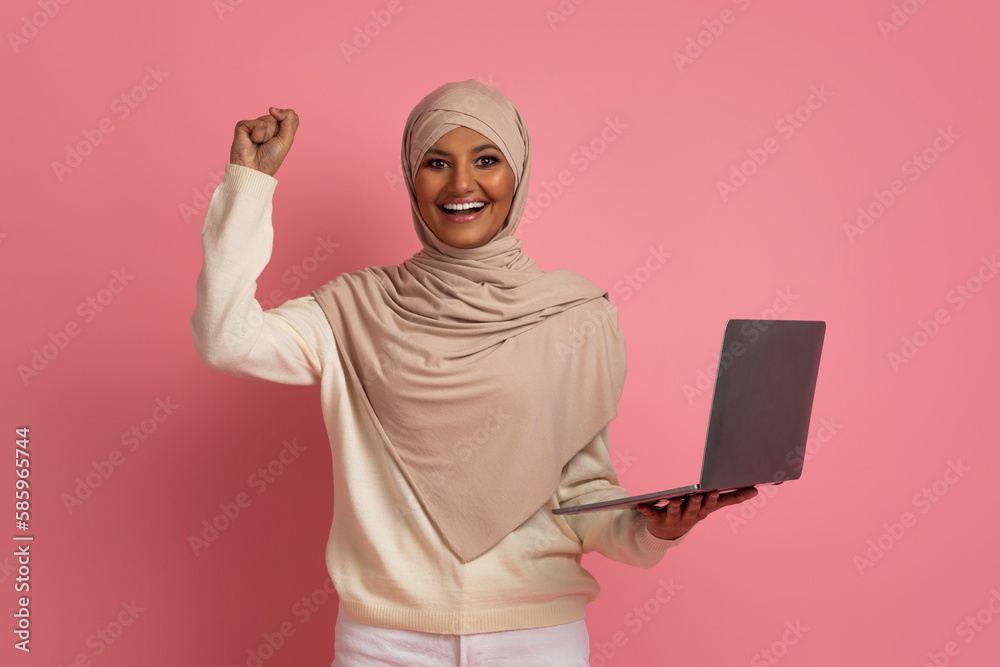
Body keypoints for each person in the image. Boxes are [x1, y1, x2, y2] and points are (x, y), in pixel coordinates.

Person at [192, 80, 758, 666]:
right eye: (437, 162)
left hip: (536, 641)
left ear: (518, 174)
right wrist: (249, 185)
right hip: (384, 645)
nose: (461, 185)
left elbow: (583, 497)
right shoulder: (355, 309)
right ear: (413, 180)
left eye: (486, 160)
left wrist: (655, 530)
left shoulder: (576, 315)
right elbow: (224, 338)